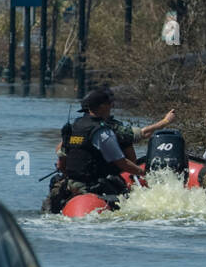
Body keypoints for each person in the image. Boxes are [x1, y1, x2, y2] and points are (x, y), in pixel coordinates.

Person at [42, 88, 172, 213]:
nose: (111, 106)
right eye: (110, 104)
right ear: (103, 106)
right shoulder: (102, 132)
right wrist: (144, 173)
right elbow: (122, 163)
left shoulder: (73, 127)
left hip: (71, 185)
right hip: (93, 186)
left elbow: (61, 162)